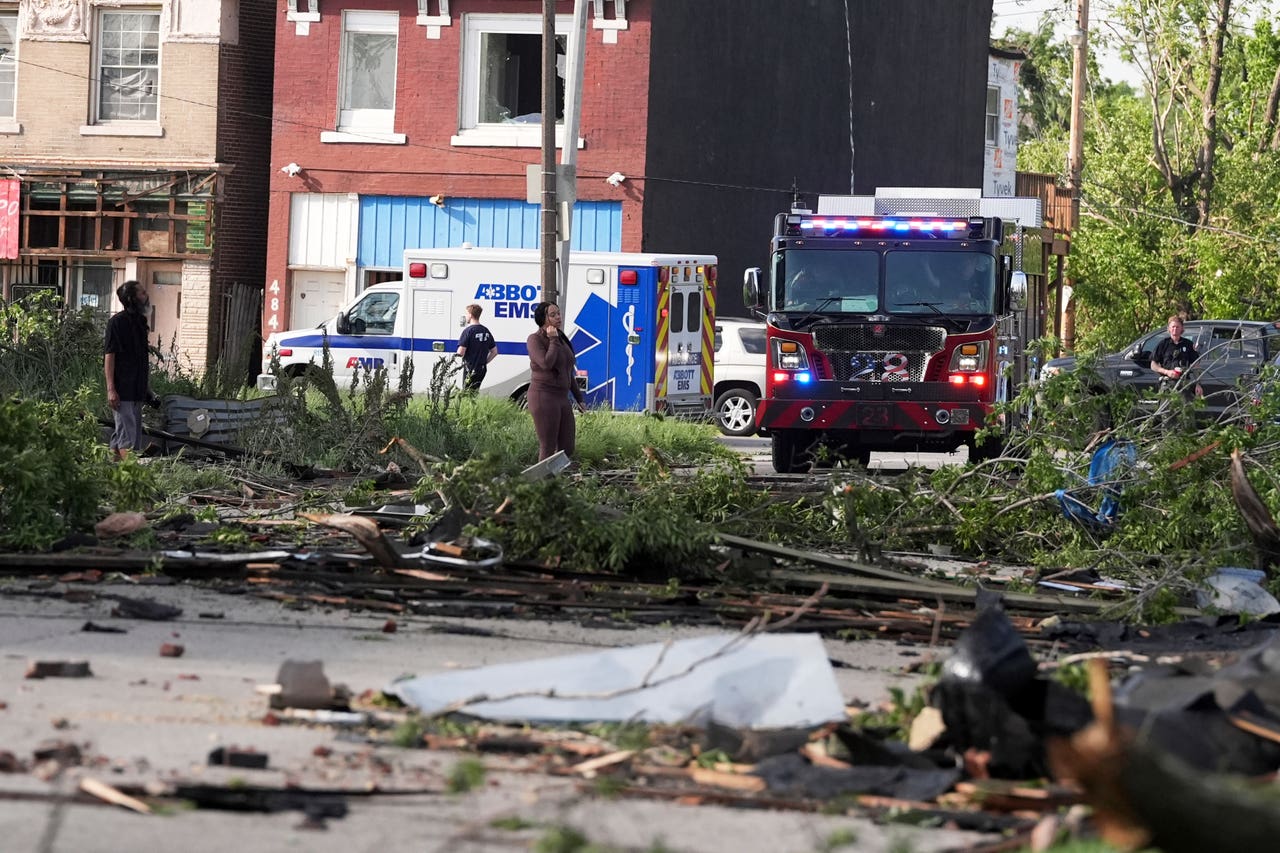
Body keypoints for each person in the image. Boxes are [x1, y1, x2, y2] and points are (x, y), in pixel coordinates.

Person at [103, 280, 156, 461]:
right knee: (128, 439)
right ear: (132, 299)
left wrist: (147, 390)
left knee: (121, 436)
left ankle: (111, 476)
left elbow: (140, 360)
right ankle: (130, 479)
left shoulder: (140, 323)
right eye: (142, 293)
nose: (146, 296)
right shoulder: (117, 323)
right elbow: (110, 356)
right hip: (122, 390)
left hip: (137, 390)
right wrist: (111, 389)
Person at [527, 301, 587, 461]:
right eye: (552, 315)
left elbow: (567, 369)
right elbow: (546, 363)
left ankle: (556, 480)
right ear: (543, 318)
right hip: (544, 395)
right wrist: (552, 340)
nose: (558, 317)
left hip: (561, 397)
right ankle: (543, 483)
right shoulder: (535, 339)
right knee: (548, 445)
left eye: (558, 313)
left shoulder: (561, 338)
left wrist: (579, 398)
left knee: (567, 446)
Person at [455, 303, 497, 392]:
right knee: (474, 392)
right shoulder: (486, 331)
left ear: (470, 315)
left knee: (467, 393)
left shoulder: (468, 331)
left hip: (470, 368)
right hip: (481, 369)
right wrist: (484, 362)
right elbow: (494, 352)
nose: (466, 316)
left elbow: (461, 352)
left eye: (467, 314)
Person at [1152, 315, 1198, 380]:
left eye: (1177, 327)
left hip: (1184, 383)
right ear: (1169, 328)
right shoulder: (1163, 344)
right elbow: (1153, 365)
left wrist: (1197, 384)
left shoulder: (1188, 344)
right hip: (1167, 382)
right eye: (1173, 327)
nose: (1175, 329)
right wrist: (1167, 372)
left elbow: (1195, 365)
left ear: (1182, 328)